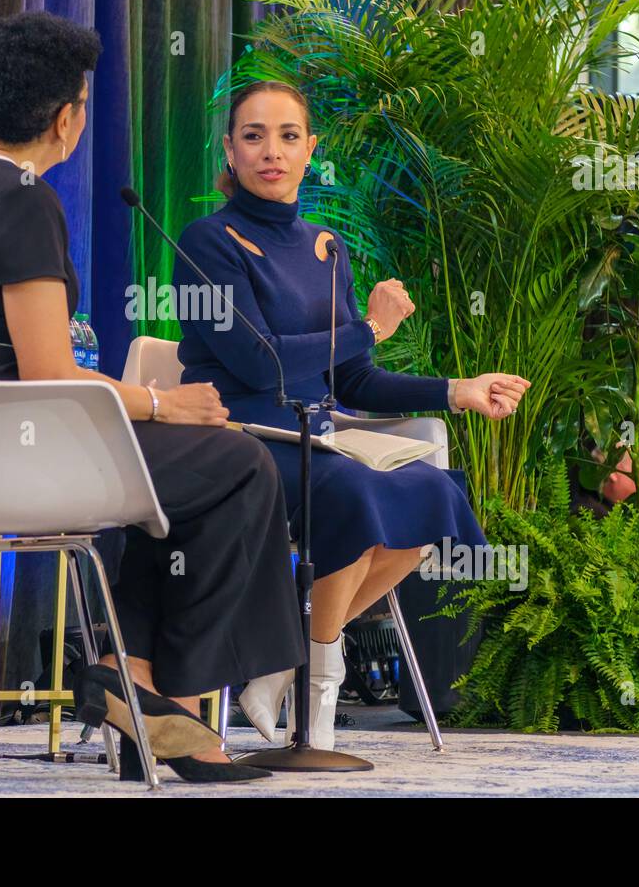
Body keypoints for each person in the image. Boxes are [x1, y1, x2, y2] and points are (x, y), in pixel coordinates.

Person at [0, 13, 305, 783]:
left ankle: (132, 683)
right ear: (65, 119)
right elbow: (49, 368)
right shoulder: (19, 198)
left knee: (189, 478)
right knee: (242, 466)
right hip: (9, 452)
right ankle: (170, 699)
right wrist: (161, 403)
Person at [174, 80, 531, 749]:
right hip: (238, 439)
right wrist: (369, 325)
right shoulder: (208, 240)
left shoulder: (327, 248)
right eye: (253, 136)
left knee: (429, 492)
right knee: (350, 490)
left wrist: (458, 390)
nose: (270, 152)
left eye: (287, 137)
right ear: (230, 149)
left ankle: (288, 656)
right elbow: (260, 364)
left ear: (311, 150)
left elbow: (353, 379)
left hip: (318, 435)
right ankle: (317, 677)